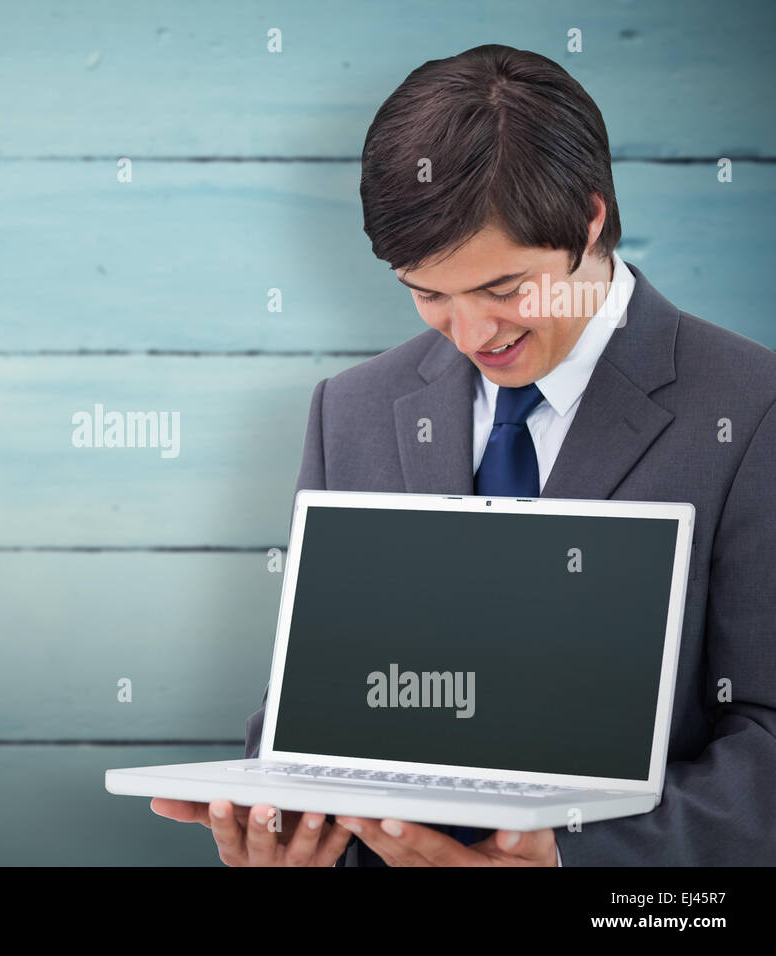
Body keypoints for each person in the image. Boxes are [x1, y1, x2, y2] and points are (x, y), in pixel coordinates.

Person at [151, 44, 776, 867]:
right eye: (430, 293)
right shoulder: (354, 409)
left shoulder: (750, 409)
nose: (475, 335)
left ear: (588, 220)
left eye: (506, 288)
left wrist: (565, 861)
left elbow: (765, 741)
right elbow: (315, 709)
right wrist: (290, 826)